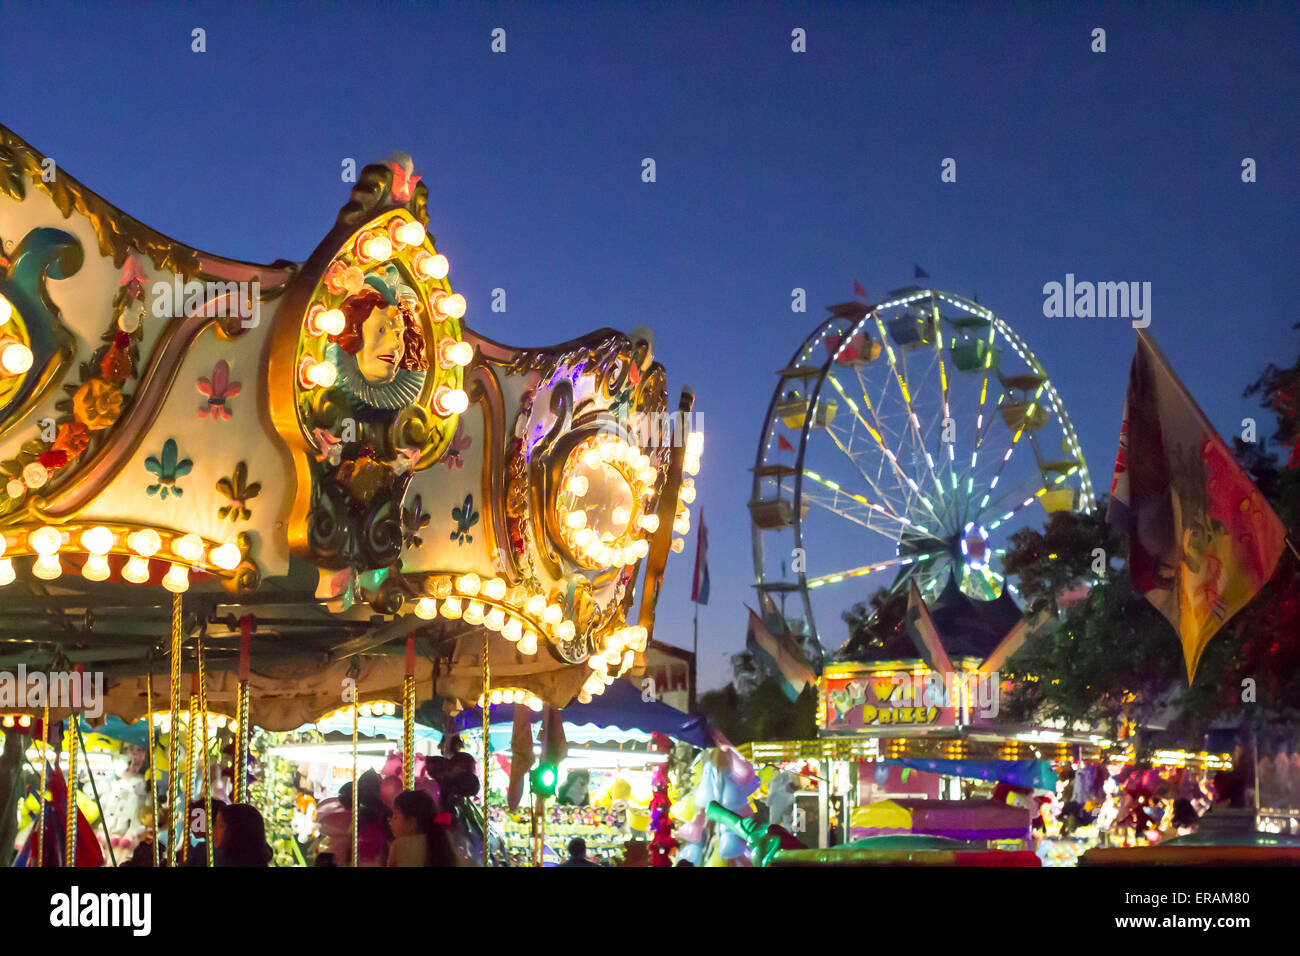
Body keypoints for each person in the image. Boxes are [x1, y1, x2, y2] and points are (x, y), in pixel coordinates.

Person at [387, 789, 459, 867]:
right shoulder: (444, 843)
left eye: (395, 816)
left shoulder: (399, 846)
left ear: (412, 823)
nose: (390, 822)